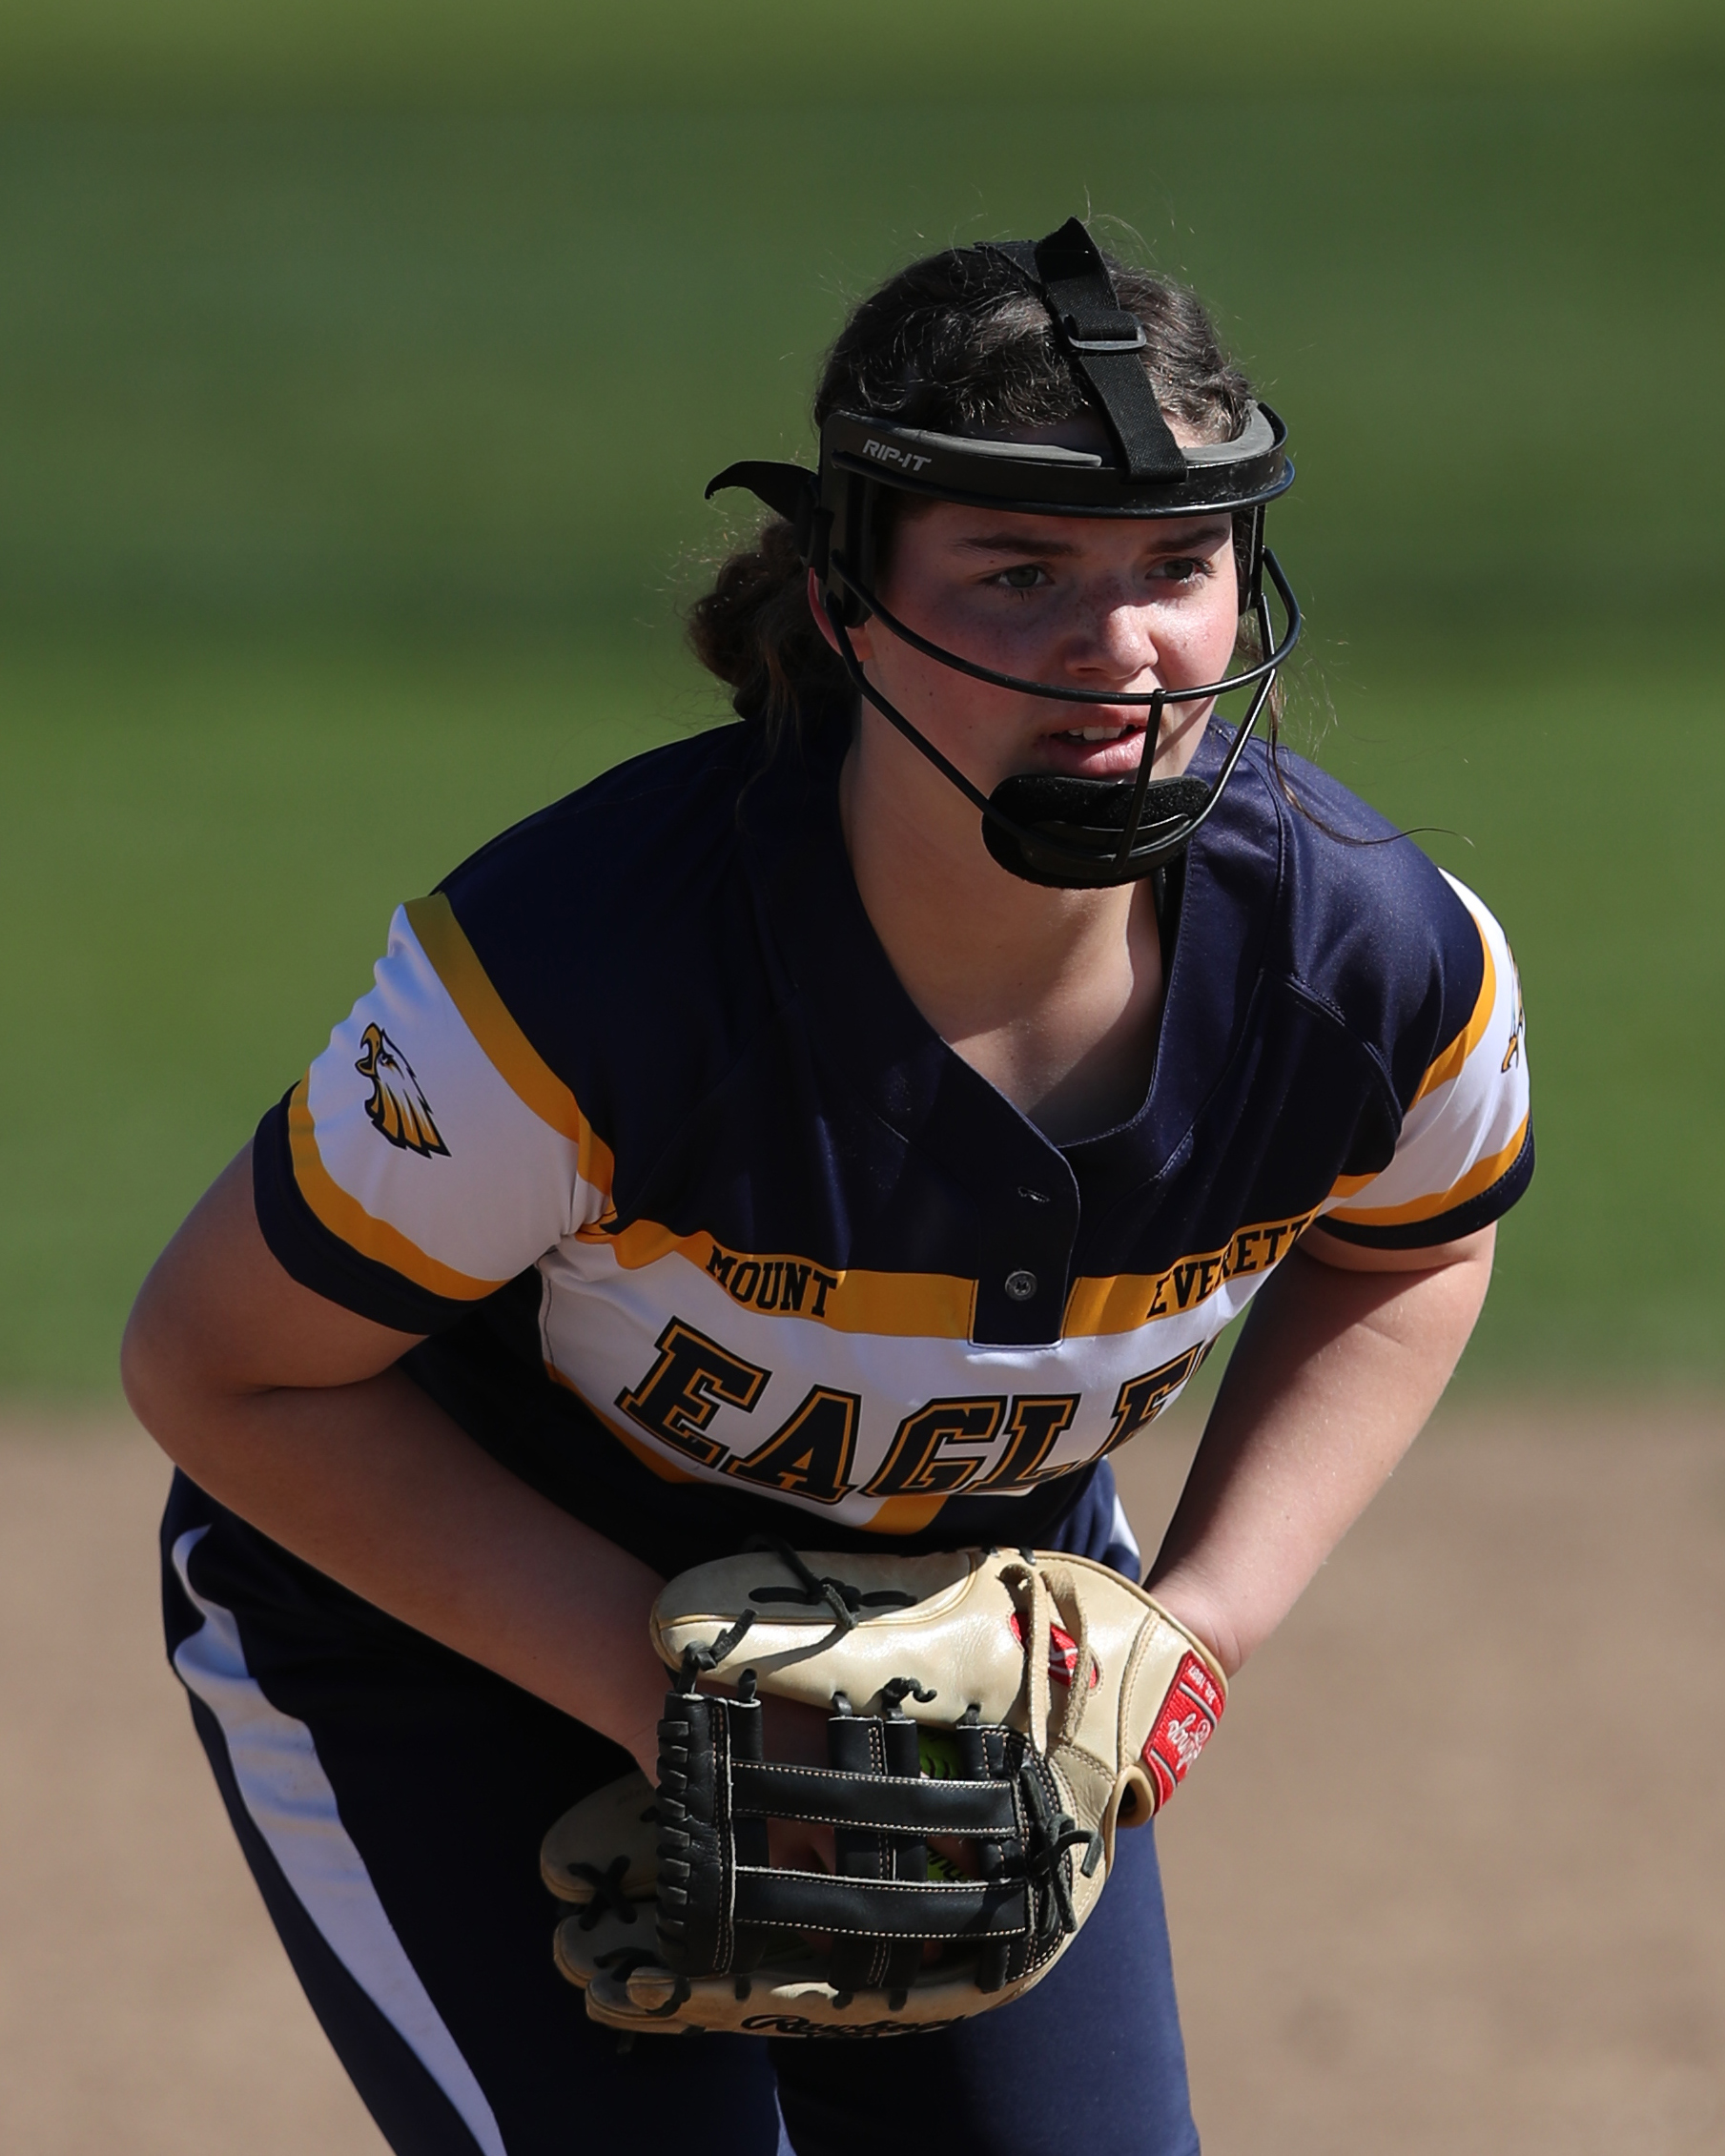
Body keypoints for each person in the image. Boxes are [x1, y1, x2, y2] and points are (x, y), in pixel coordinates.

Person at [122, 219, 1531, 2156]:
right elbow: (223, 1369)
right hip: (450, 1632)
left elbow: (1408, 1252)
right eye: (1020, 570)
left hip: (971, 1664)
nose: (1119, 644)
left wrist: (1193, 1631)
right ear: (853, 602)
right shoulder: (585, 976)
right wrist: (680, 1709)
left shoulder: (1376, 968)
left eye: (1175, 565)